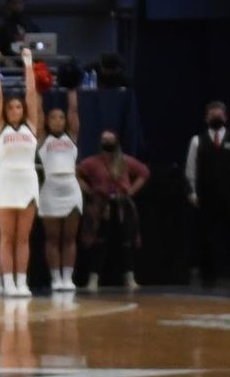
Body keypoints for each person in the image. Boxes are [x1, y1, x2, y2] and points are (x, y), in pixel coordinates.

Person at [184, 100, 230, 288]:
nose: (216, 116)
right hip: (206, 197)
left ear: (225, 117)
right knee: (207, 239)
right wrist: (192, 193)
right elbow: (190, 170)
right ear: (206, 118)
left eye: (219, 113)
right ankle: (208, 278)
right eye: (212, 114)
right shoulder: (197, 141)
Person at [0, 48, 40, 298]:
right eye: (11, 108)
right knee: (7, 236)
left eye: (19, 107)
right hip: (6, 182)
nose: (16, 110)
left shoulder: (31, 126)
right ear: (6, 111)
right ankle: (8, 282)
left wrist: (28, 64)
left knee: (23, 237)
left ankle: (22, 281)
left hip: (27, 182)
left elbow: (31, 94)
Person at [77, 129, 150, 292]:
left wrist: (131, 190)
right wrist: (88, 190)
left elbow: (144, 172)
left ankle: (130, 278)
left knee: (127, 242)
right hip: (101, 206)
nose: (107, 142)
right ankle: (93, 280)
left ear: (116, 142)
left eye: (110, 139)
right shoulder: (92, 162)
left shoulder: (125, 161)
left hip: (122, 204)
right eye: (105, 139)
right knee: (98, 242)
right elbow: (77, 173)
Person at [37, 84, 83, 292]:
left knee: (69, 238)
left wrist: (71, 88)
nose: (57, 120)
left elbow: (73, 110)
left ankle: (67, 277)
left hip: (71, 189)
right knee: (53, 238)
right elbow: (37, 113)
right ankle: (56, 278)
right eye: (53, 117)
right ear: (47, 121)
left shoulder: (71, 138)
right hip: (50, 191)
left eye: (61, 117)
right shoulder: (42, 139)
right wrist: (38, 90)